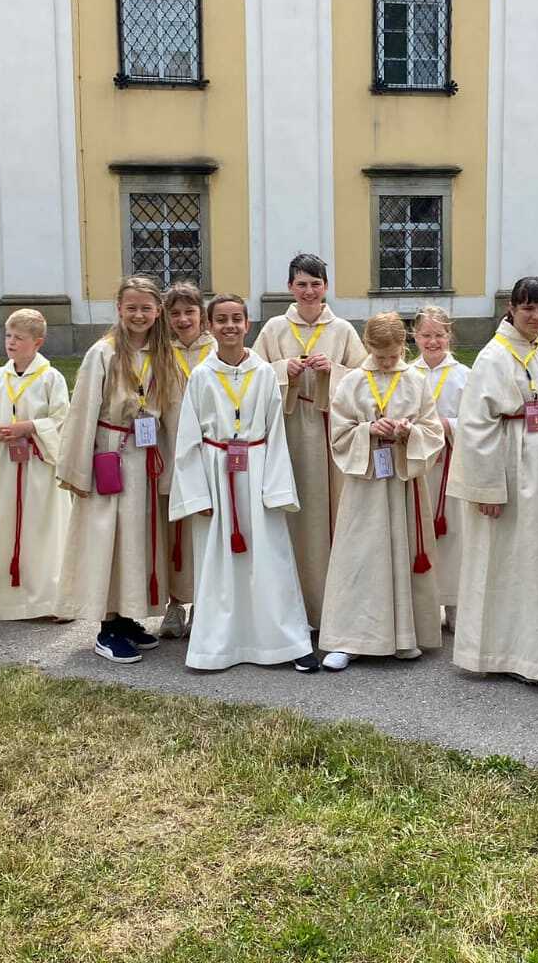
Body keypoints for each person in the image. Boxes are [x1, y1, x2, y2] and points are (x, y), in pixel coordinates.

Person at [169, 293, 320, 673]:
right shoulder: (202, 375)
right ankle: (216, 647)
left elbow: (275, 431)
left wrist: (276, 488)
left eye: (237, 318)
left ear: (247, 324)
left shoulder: (264, 373)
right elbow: (188, 437)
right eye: (221, 319)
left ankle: (285, 642)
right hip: (215, 474)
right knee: (218, 563)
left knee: (270, 559)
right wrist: (197, 494)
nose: (230, 326)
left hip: (257, 469)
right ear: (210, 326)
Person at [447, 276, 538, 685]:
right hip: (512, 472)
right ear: (512, 308)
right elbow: (475, 426)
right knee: (514, 561)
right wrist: (486, 487)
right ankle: (511, 653)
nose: (537, 316)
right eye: (528, 308)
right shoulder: (492, 357)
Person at [54, 276, 182, 663]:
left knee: (137, 539)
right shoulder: (104, 353)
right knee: (108, 538)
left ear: (158, 311)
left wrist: (177, 467)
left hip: (146, 456)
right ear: (119, 309)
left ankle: (127, 616)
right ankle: (107, 625)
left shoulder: (163, 354)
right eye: (132, 308)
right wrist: (78, 469)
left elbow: (173, 411)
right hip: (111, 455)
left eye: (146, 308)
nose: (139, 315)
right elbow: (83, 410)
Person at [318, 312, 445, 671]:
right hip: (366, 483)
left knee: (403, 550)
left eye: (393, 356)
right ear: (368, 346)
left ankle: (404, 635)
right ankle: (350, 639)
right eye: (380, 355)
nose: (387, 363)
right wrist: (368, 430)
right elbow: (339, 434)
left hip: (403, 481)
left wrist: (409, 432)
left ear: (403, 346)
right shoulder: (353, 382)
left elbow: (433, 430)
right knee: (361, 556)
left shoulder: (415, 381)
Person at [251, 253, 367, 627]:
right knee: (294, 515)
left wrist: (333, 370)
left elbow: (365, 380)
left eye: (316, 284)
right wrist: (282, 369)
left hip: (330, 426)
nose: (309, 291)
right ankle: (290, 605)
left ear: (326, 287)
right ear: (290, 287)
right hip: (289, 428)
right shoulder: (274, 329)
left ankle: (333, 606)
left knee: (331, 514)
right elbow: (253, 377)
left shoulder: (342, 330)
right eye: (301, 284)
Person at [0, 309, 71, 622]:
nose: (11, 342)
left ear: (38, 342)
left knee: (41, 528)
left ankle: (46, 599)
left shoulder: (51, 377)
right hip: (5, 466)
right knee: (0, 523)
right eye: (8, 336)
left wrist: (30, 427)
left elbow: (62, 418)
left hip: (39, 465)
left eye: (19, 338)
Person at [160, 280, 215, 639]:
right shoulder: (161, 352)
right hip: (169, 446)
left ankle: (202, 603)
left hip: (208, 450)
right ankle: (175, 603)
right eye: (175, 313)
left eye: (189, 312)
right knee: (173, 531)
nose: (183, 319)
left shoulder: (217, 349)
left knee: (204, 527)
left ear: (202, 314)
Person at [409, 306, 469, 625]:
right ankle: (426, 608)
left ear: (449, 336)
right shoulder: (407, 374)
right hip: (419, 464)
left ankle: (456, 604)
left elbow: (474, 421)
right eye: (426, 335)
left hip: (451, 462)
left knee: (455, 534)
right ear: (415, 336)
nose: (433, 341)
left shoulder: (464, 376)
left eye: (439, 335)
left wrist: (448, 424)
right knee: (420, 531)